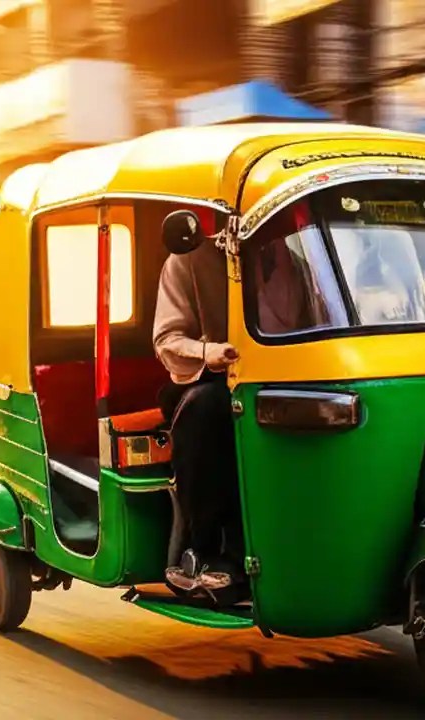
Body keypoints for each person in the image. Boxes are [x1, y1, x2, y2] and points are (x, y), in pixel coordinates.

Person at [152, 236, 243, 599]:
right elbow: (166, 339)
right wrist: (209, 352)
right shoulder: (187, 259)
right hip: (206, 379)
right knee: (207, 408)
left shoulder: (292, 249)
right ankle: (204, 549)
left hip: (273, 376)